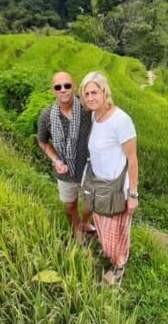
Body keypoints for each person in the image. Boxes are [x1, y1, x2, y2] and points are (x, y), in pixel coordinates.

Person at [80, 71, 139, 285]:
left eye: (94, 92)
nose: (90, 97)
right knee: (103, 224)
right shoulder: (95, 116)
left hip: (116, 188)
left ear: (105, 92)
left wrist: (133, 194)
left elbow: (132, 159)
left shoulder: (121, 120)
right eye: (86, 94)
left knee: (117, 230)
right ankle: (109, 253)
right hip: (98, 185)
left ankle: (118, 266)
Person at [38, 71, 94, 237]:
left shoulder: (87, 108)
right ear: (53, 91)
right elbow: (43, 141)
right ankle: (76, 230)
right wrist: (55, 160)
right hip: (65, 171)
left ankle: (85, 223)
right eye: (58, 87)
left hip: (89, 169)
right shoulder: (46, 116)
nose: (63, 90)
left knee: (91, 204)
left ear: (73, 87)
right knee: (70, 206)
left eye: (67, 86)